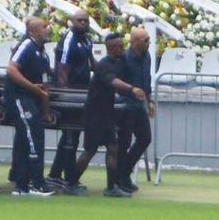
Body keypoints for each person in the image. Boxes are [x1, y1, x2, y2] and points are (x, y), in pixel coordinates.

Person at [66, 32, 139, 197]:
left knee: (113, 148)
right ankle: (71, 183)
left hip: (106, 114)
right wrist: (132, 88)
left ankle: (111, 187)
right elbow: (113, 82)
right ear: (112, 48)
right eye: (119, 46)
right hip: (95, 114)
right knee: (89, 150)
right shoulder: (104, 65)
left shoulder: (119, 62)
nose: (123, 49)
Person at [6, 17, 57, 197]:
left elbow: (44, 86)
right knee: (32, 137)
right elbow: (11, 69)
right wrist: (31, 87)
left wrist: (46, 110)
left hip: (31, 100)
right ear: (33, 31)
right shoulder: (27, 46)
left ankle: (22, 185)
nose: (48, 29)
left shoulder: (43, 54)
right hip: (19, 98)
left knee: (25, 140)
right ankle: (36, 182)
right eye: (44, 26)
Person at [46, 9, 94, 193]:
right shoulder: (68, 41)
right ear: (72, 22)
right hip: (70, 94)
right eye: (80, 20)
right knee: (69, 136)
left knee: (73, 136)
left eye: (86, 20)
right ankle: (68, 179)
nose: (83, 23)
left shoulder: (87, 40)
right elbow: (62, 69)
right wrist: (64, 94)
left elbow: (91, 63)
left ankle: (55, 175)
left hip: (83, 92)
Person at [113, 26, 155, 195]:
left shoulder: (147, 57)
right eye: (146, 40)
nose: (149, 43)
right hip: (125, 105)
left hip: (139, 105)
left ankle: (124, 172)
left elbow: (147, 79)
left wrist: (150, 100)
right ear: (136, 42)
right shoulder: (124, 58)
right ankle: (119, 179)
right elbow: (116, 81)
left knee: (145, 138)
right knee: (124, 143)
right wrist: (130, 90)